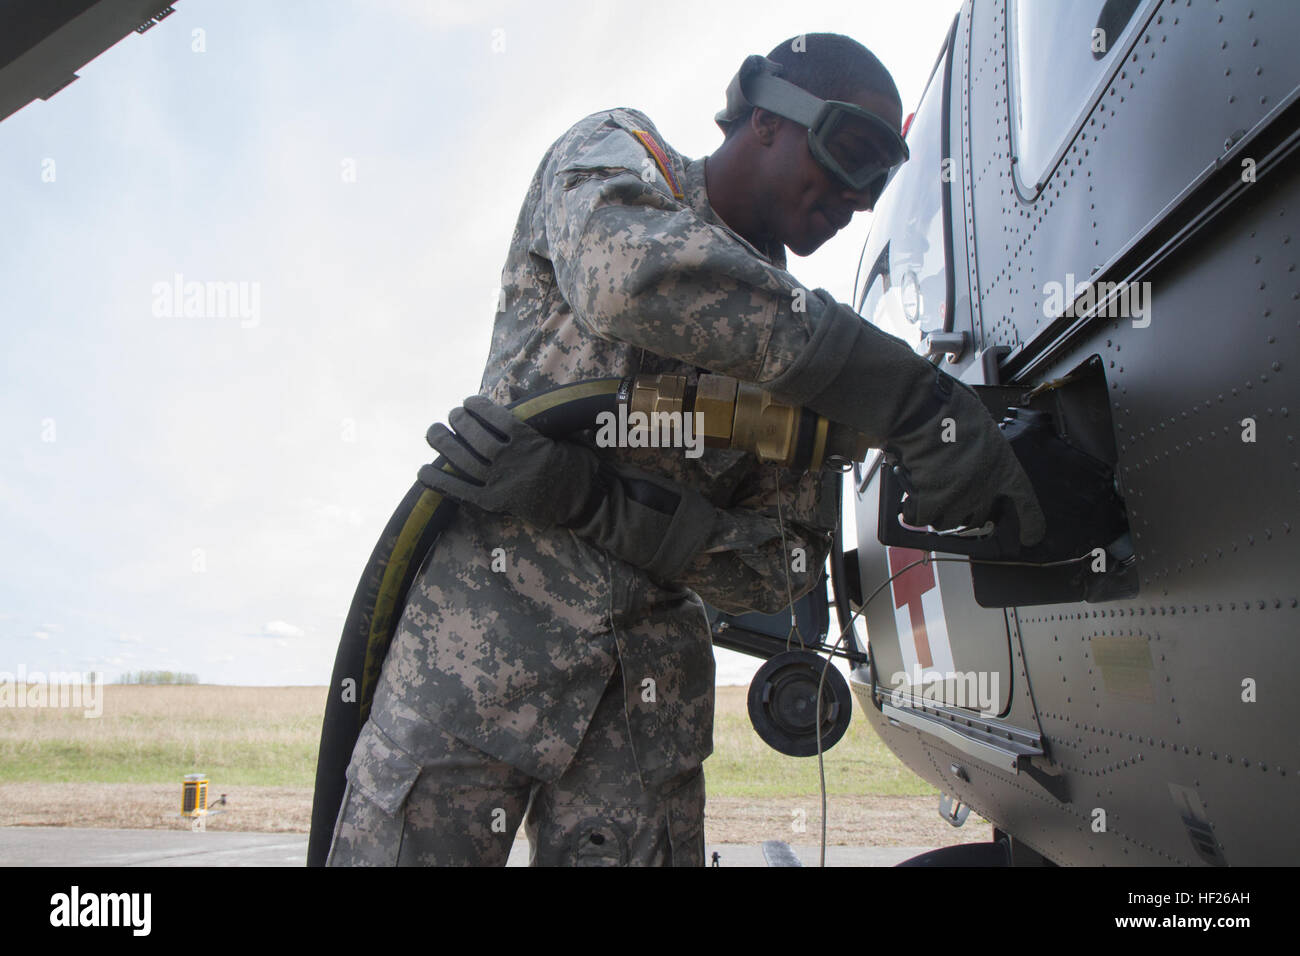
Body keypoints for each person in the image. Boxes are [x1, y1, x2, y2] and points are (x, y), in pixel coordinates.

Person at [325, 32, 1043, 867]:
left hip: (642, 716)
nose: (859, 195)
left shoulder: (815, 364)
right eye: (852, 152)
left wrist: (597, 505)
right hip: (475, 665)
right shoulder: (621, 158)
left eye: (882, 179)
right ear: (764, 110)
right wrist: (903, 394)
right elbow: (624, 277)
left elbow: (779, 568)